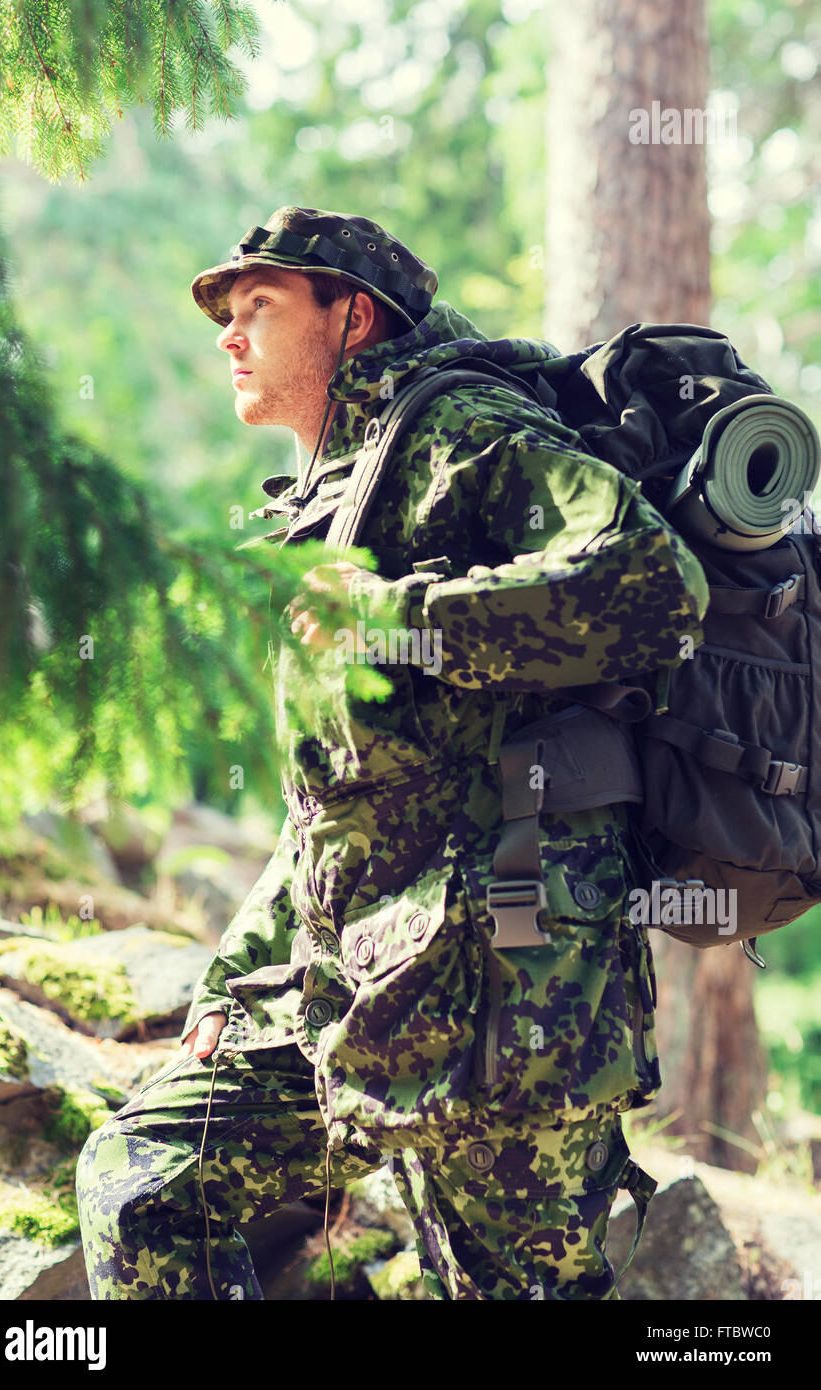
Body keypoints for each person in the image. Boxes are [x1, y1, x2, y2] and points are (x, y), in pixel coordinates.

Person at [76, 205, 709, 1300]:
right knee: (144, 1179)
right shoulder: (341, 488)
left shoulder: (464, 429)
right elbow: (340, 803)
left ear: (350, 317)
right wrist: (238, 973)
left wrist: (401, 619)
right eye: (224, 314)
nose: (227, 334)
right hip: (356, 983)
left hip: (516, 996)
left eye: (257, 307)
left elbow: (652, 586)